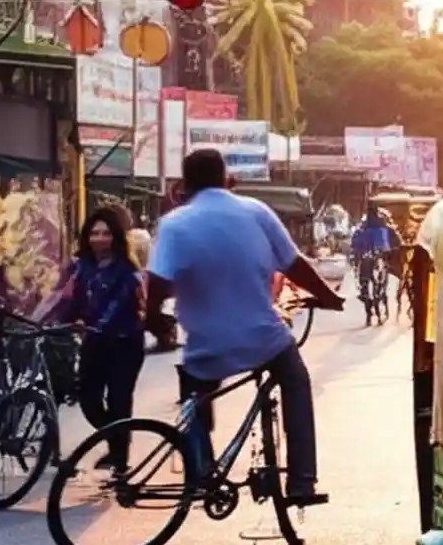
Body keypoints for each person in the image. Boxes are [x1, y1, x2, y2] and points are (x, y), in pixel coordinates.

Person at [146, 150, 344, 507]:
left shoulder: (174, 224)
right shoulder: (256, 211)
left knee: (195, 391)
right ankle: (301, 481)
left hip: (205, 348)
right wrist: (329, 297)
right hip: (263, 340)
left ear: (185, 185)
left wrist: (152, 317)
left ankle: (200, 469)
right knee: (295, 383)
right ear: (227, 179)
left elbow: (157, 281)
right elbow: (294, 264)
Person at [67, 205, 147, 469]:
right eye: (94, 233)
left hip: (124, 343)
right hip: (94, 341)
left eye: (105, 233)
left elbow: (117, 306)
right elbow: (70, 300)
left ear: (116, 237)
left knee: (119, 401)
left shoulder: (127, 272)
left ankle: (120, 463)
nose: (99, 239)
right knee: (88, 398)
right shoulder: (81, 267)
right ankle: (116, 440)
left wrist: (95, 327)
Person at [349, 203, 399, 325]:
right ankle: (379, 303)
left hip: (365, 259)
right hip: (379, 259)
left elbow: (355, 245)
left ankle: (368, 309)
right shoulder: (385, 226)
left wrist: (355, 258)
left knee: (363, 285)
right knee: (381, 284)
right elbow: (394, 243)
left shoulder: (363, 226)